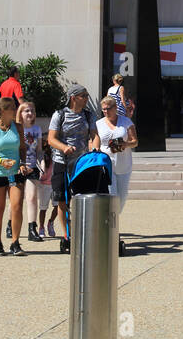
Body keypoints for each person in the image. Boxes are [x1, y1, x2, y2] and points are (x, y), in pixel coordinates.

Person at [48, 85, 98, 253]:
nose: (86, 98)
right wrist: (63, 147)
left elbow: (94, 135)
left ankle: (82, 232)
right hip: (62, 161)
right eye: (83, 95)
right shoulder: (59, 115)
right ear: (73, 97)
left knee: (82, 198)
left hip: (82, 163)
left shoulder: (88, 115)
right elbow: (51, 139)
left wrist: (96, 149)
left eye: (86, 95)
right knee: (62, 200)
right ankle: (66, 235)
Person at [0, 96, 27, 255]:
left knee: (16, 206)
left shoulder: (18, 127)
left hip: (15, 172)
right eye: (12, 109)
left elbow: (22, 147)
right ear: (2, 112)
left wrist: (22, 163)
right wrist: (0, 161)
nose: (15, 112)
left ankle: (15, 242)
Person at [97, 94, 138, 255]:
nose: (106, 111)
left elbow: (135, 141)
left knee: (122, 197)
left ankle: (112, 222)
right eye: (104, 109)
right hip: (107, 165)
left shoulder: (126, 122)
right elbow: (94, 141)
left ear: (115, 108)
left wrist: (125, 144)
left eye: (109, 108)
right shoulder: (99, 124)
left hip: (123, 164)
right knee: (111, 196)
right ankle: (112, 230)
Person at [19, 100, 46, 242]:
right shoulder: (17, 129)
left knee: (31, 197)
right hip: (18, 167)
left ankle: (32, 228)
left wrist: (42, 164)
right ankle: (11, 224)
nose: (29, 113)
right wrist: (20, 165)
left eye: (31, 111)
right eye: (26, 111)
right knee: (16, 201)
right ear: (20, 113)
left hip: (33, 167)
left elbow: (39, 151)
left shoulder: (37, 130)